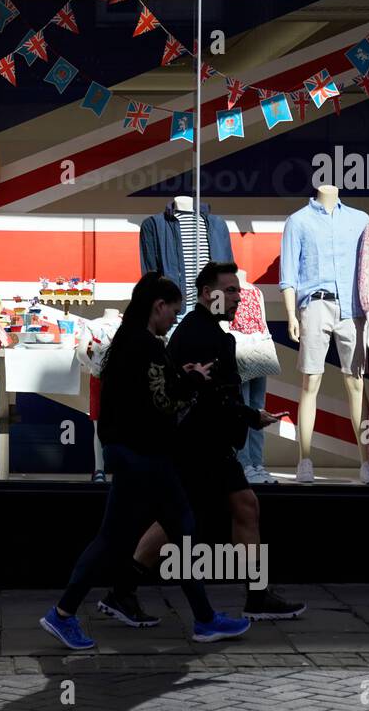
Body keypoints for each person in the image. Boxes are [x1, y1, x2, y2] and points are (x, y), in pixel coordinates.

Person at [40, 274, 252, 649]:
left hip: (131, 452)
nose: (174, 318)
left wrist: (180, 376)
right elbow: (164, 402)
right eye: (172, 311)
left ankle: (204, 619)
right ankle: (63, 613)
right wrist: (194, 383)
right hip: (145, 455)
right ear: (158, 306)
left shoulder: (127, 340)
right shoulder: (148, 346)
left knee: (178, 529)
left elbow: (146, 390)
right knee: (119, 537)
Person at [122, 261, 305, 623]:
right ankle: (127, 593)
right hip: (202, 445)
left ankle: (254, 596)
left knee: (237, 507)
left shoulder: (206, 330)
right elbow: (204, 396)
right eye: (232, 290)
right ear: (209, 294)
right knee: (191, 517)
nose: (239, 296)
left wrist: (251, 416)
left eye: (238, 289)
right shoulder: (199, 334)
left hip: (205, 443)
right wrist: (247, 416)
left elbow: (215, 394)